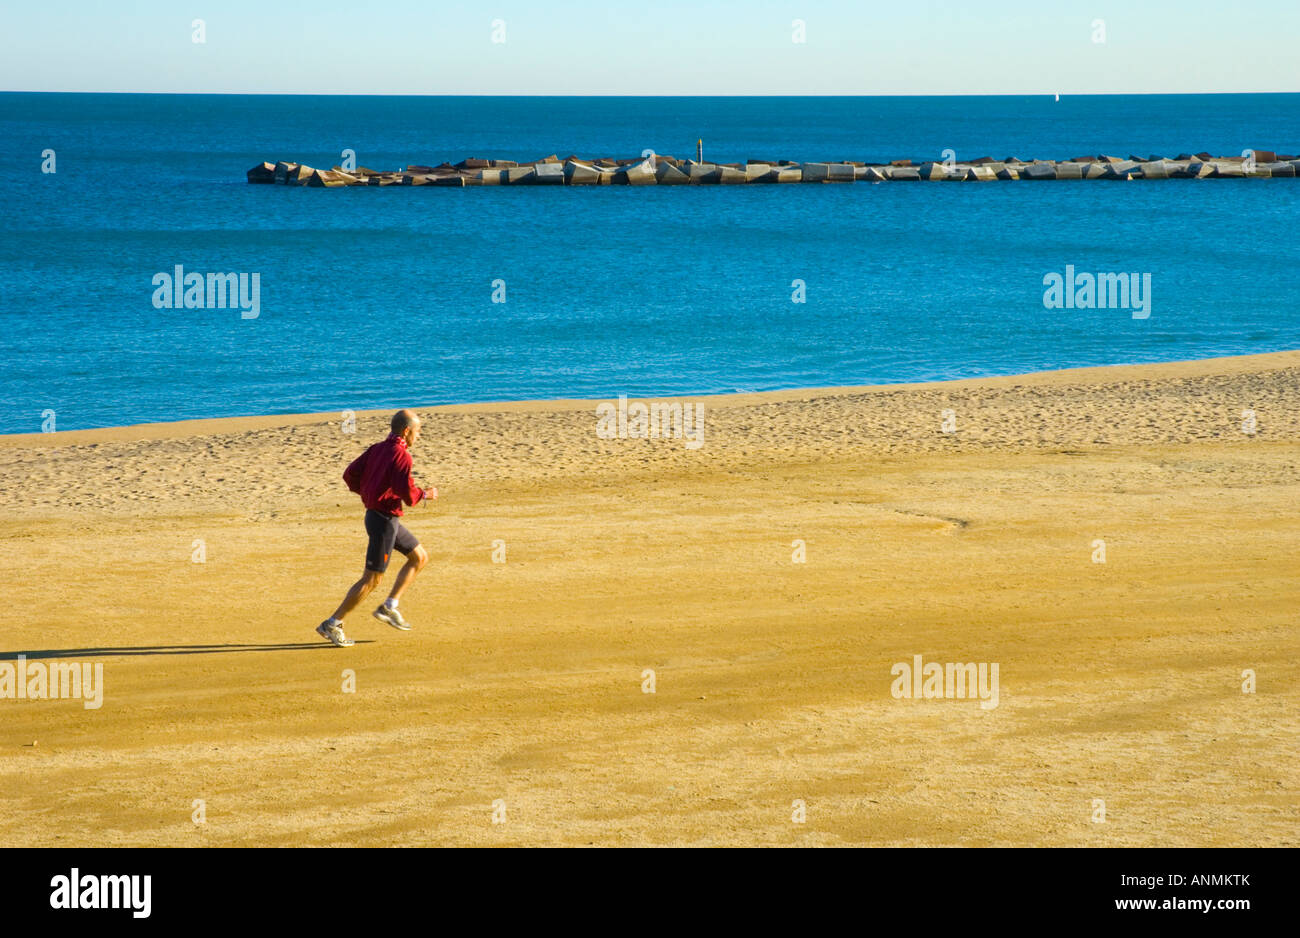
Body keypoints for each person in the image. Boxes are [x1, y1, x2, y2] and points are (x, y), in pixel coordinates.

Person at [317, 409, 436, 647]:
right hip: (383, 522)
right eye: (418, 431)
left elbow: (350, 475)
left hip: (383, 518)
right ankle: (333, 622)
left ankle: (389, 606)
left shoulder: (377, 449)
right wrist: (426, 494)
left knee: (419, 557)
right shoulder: (401, 455)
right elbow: (408, 494)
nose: (419, 435)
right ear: (406, 431)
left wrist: (369, 494)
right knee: (372, 580)